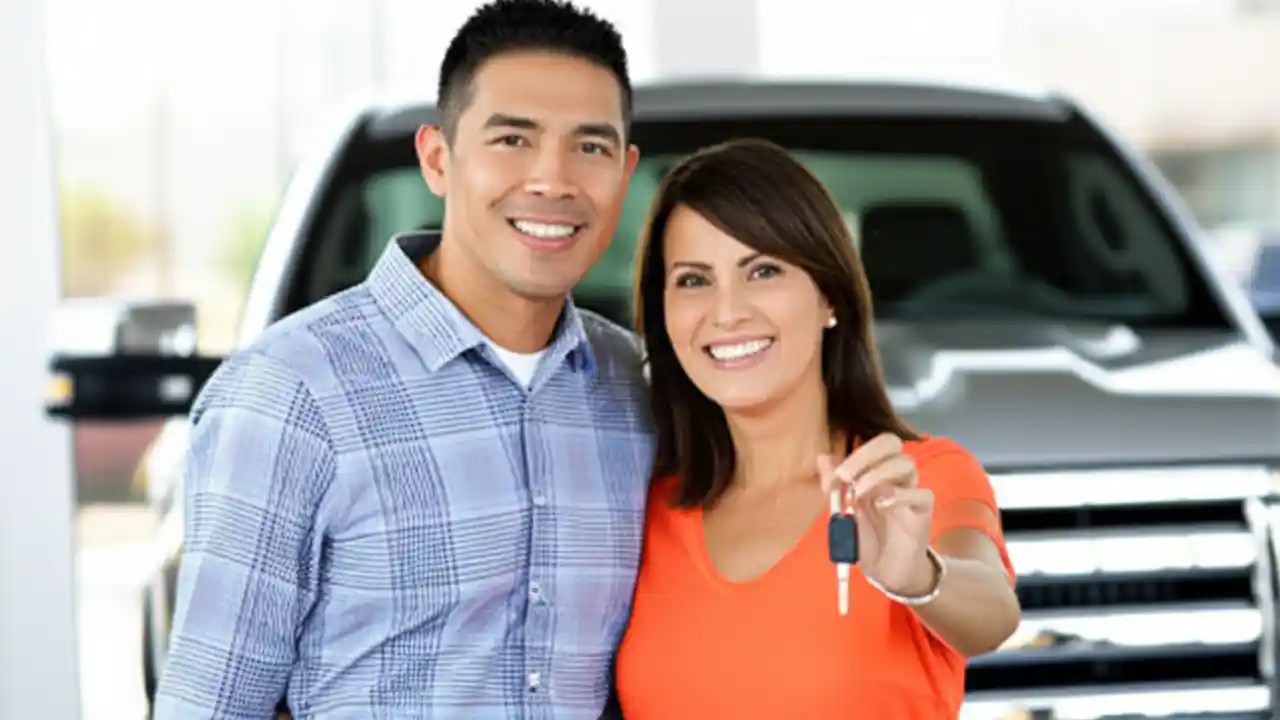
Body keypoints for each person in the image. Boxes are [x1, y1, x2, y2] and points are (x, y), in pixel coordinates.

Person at [153, 1, 656, 717]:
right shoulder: (289, 392)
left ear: (625, 169)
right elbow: (211, 704)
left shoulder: (633, 390)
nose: (553, 179)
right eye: (513, 139)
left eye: (591, 147)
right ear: (438, 158)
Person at [613, 138, 1022, 718]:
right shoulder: (646, 505)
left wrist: (917, 576)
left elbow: (992, 615)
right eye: (693, 280)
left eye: (762, 270)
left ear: (829, 295)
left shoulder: (911, 481)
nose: (727, 312)